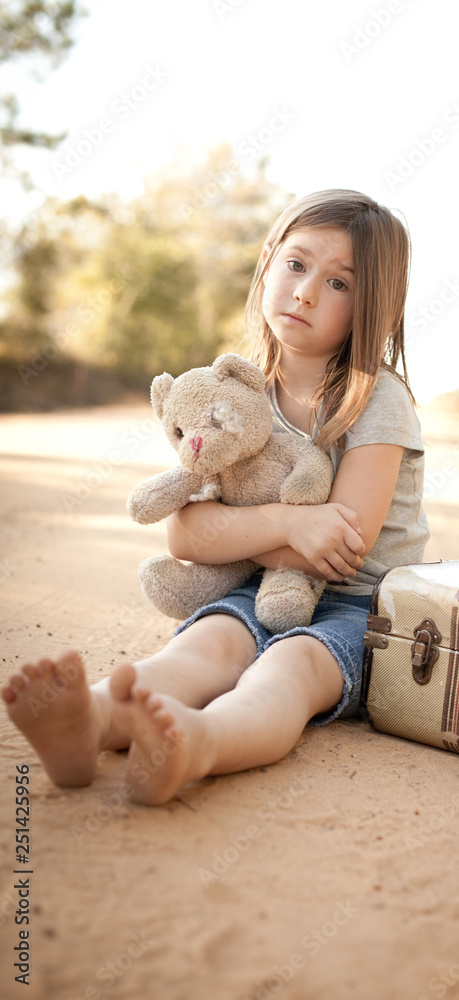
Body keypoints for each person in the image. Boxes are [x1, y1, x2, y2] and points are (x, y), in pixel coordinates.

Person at [1, 189, 429, 806]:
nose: (306, 291)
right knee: (204, 649)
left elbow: (336, 550)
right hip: (256, 587)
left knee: (288, 673)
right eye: (296, 265)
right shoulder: (233, 394)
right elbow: (185, 535)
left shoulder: (374, 399)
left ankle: (197, 742)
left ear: (372, 306)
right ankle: (88, 721)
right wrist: (285, 521)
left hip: (357, 607)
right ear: (266, 264)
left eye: (339, 283)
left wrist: (238, 532)